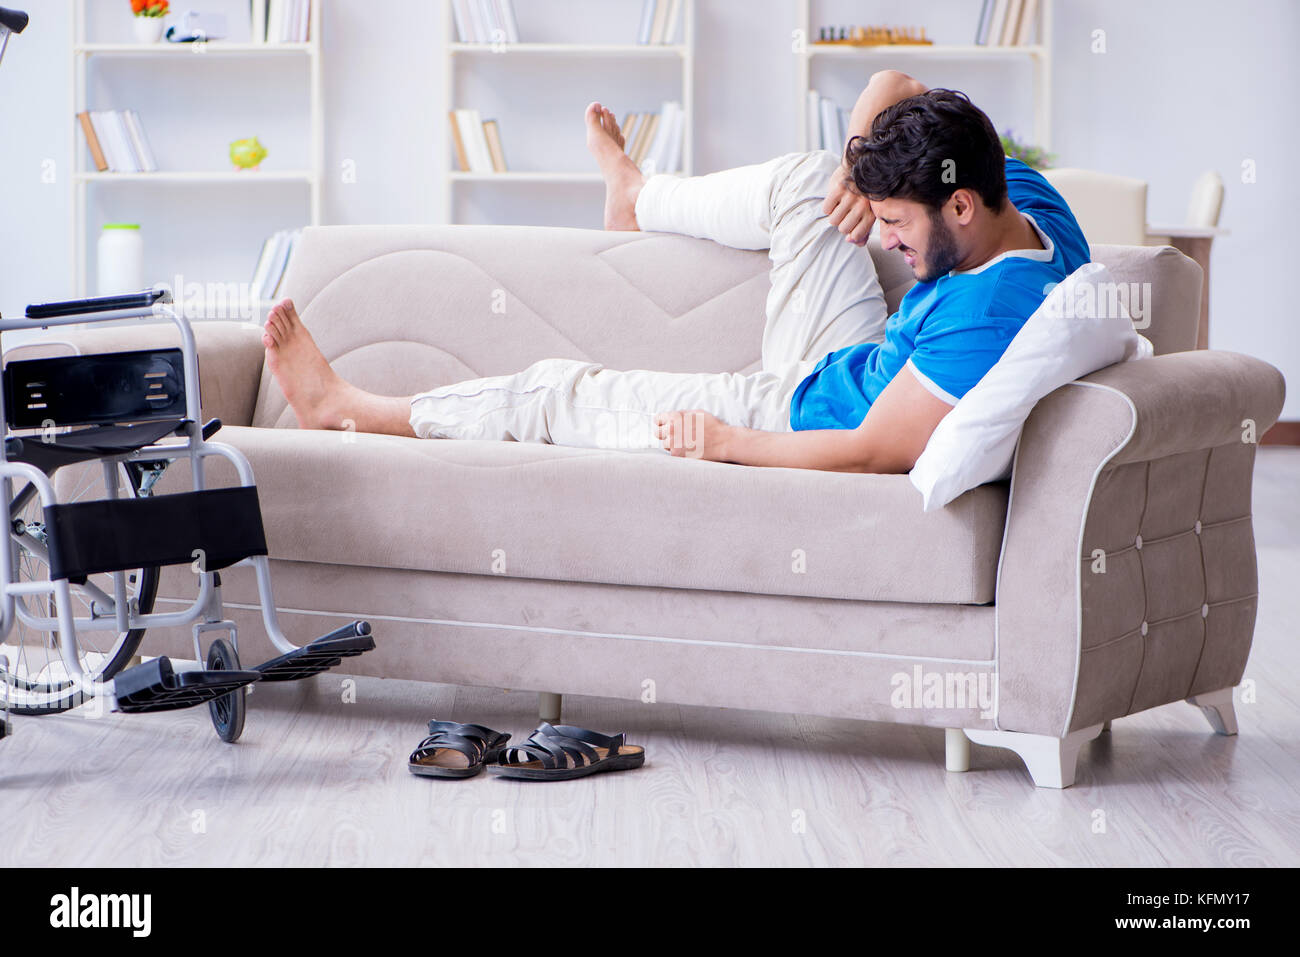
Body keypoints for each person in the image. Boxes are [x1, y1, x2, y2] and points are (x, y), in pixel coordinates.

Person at [261, 69, 1088, 473]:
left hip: (799, 409)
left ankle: (350, 410)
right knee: (811, 179)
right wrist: (854, 172)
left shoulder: (986, 316)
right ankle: (639, 194)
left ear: (961, 210)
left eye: (898, 226)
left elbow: (872, 451)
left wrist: (731, 441)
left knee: (561, 393)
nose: (887, 244)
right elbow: (895, 85)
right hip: (858, 354)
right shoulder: (1030, 206)